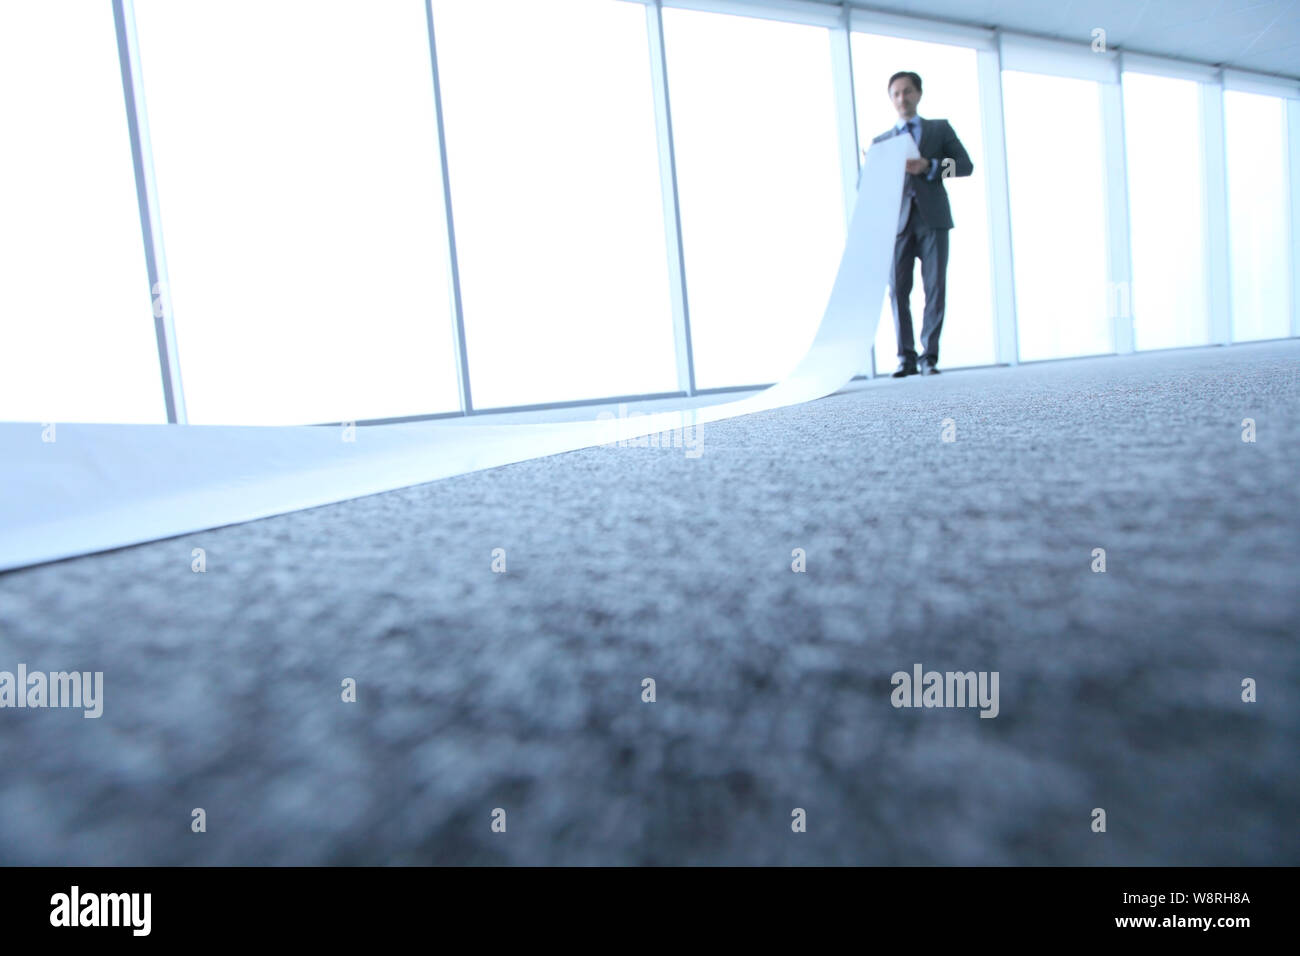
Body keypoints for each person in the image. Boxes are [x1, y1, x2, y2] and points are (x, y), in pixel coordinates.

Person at [869, 71, 973, 377]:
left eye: (907, 92)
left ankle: (930, 357)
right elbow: (869, 187)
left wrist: (930, 166)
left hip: (934, 220)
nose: (902, 98)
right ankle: (907, 358)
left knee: (935, 287)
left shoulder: (939, 129)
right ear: (891, 99)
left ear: (918, 94)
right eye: (896, 94)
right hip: (898, 225)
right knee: (898, 290)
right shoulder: (882, 142)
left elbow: (965, 166)